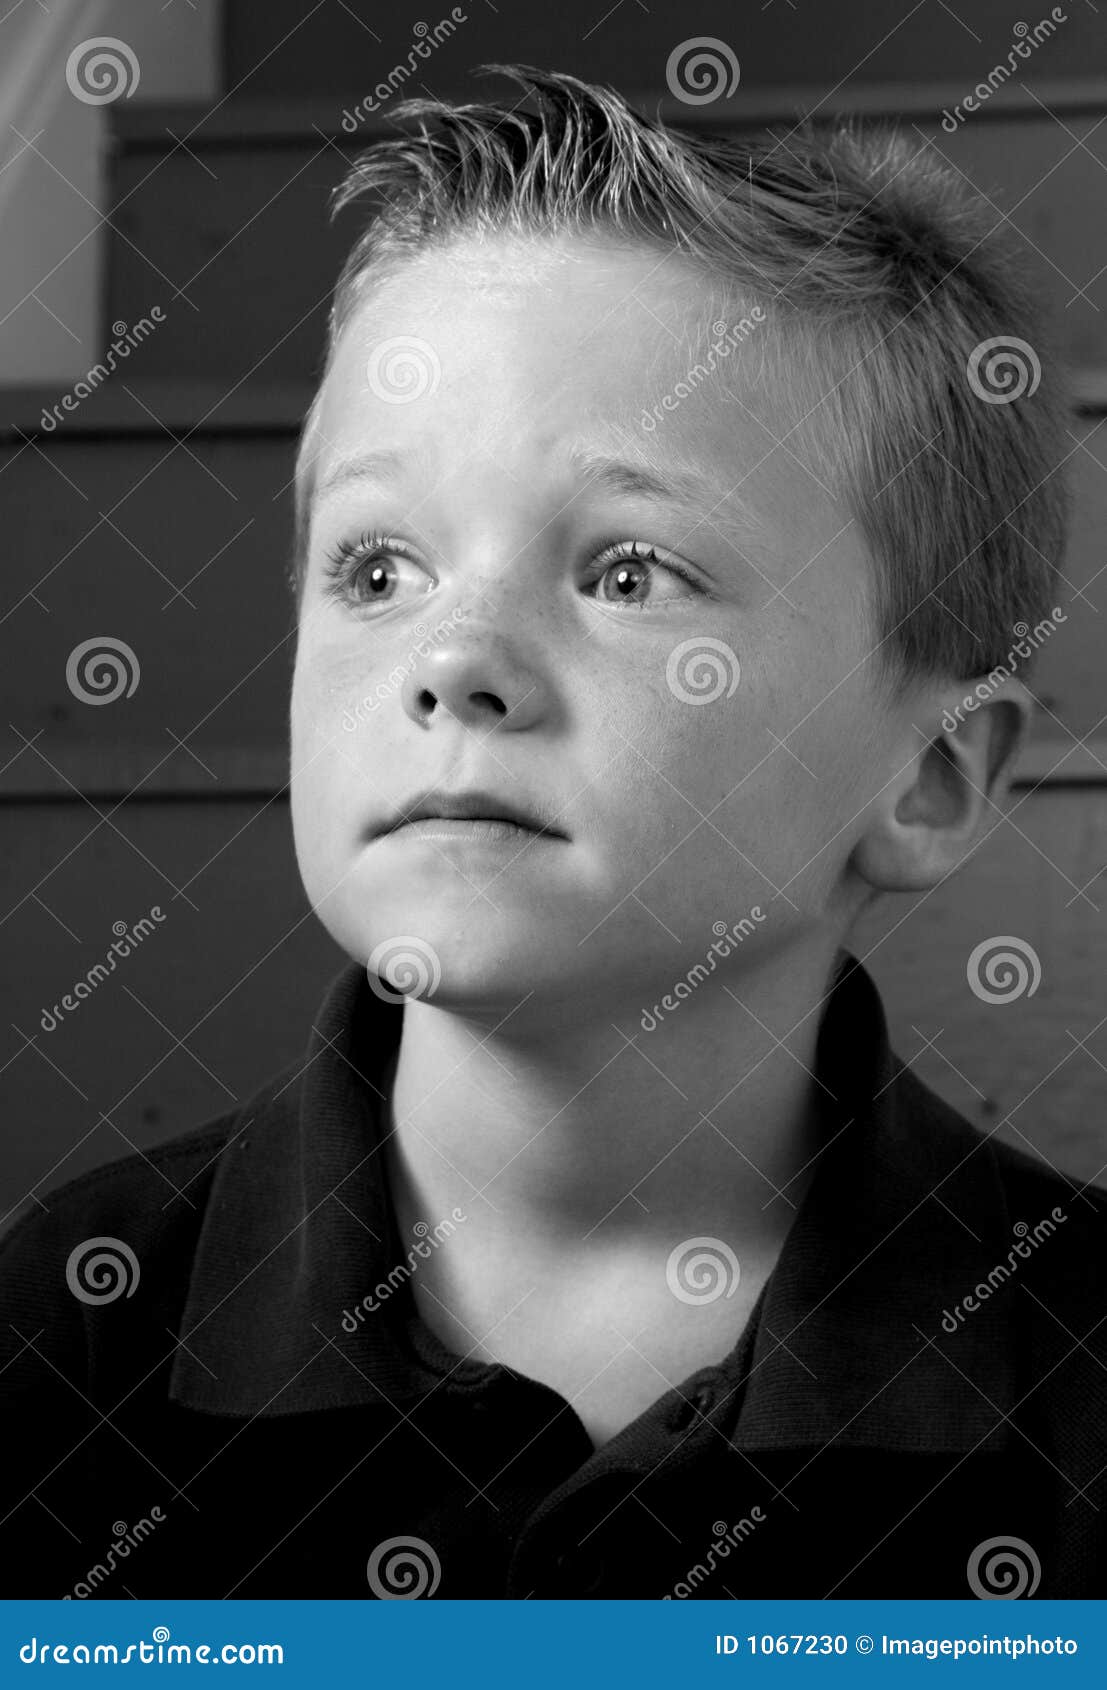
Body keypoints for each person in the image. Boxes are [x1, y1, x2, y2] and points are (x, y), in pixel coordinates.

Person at [1, 66, 1103, 1600]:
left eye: (633, 570)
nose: (453, 659)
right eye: (378, 568)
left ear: (929, 777)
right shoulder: (55, 1342)